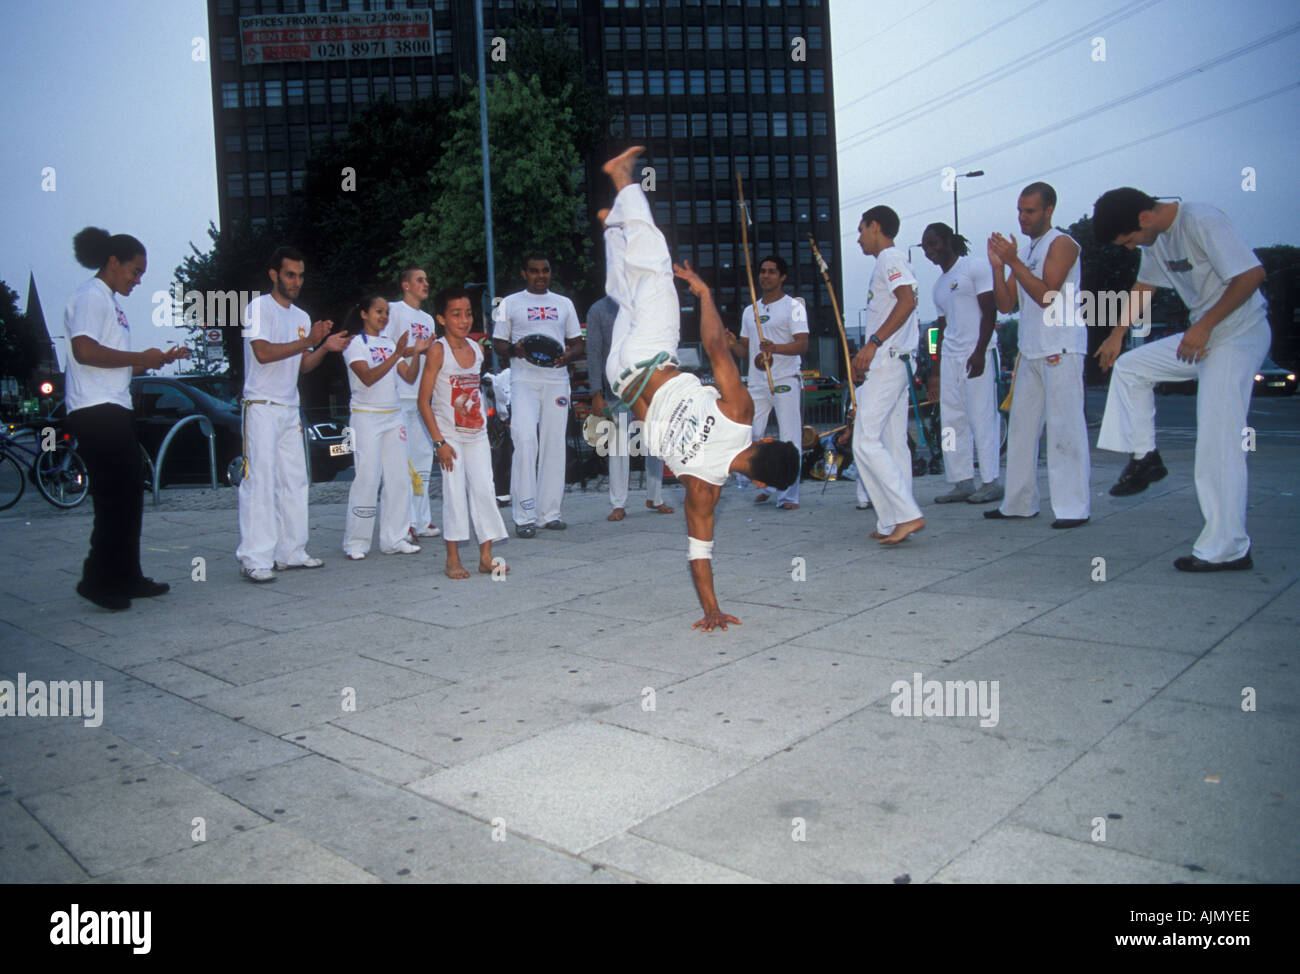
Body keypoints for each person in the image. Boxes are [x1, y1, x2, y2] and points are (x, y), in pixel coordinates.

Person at [598, 146, 799, 631]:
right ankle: (613, 227)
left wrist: (705, 295)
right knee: (625, 293)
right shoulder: (703, 491)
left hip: (650, 354)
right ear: (758, 482)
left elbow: (714, 347)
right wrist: (711, 610)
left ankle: (623, 180)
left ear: (767, 439)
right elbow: (699, 554)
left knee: (656, 263)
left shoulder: (740, 413)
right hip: (620, 376)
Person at [1092, 188, 1271, 571]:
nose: (1131, 247)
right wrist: (1117, 334)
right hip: (1203, 336)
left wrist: (1205, 326)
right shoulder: (1154, 238)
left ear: (1144, 217)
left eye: (1129, 240)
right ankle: (1145, 459)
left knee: (1218, 439)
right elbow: (1145, 286)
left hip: (1239, 333)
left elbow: (1252, 275)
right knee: (1131, 368)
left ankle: (1228, 548)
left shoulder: (1202, 220)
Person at [63, 227, 190, 610]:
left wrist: (157, 360)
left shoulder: (110, 302)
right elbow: (84, 352)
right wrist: (139, 357)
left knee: (130, 493)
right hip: (95, 409)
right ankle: (97, 579)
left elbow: (113, 363)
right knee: (114, 496)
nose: (137, 280)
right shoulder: (91, 296)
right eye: (135, 271)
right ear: (113, 262)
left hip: (113, 406)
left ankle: (127, 575)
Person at [237, 246, 349, 582]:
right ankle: (255, 558)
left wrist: (323, 347)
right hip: (261, 406)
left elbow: (303, 365)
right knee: (260, 482)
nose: (296, 281)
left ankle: (291, 551)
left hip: (289, 408)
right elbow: (262, 353)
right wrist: (308, 340)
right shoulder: (258, 308)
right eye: (290, 275)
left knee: (295, 480)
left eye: (300, 275)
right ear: (274, 275)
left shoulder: (301, 317)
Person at [985, 182, 1091, 529]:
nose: (1022, 217)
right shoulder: (1029, 251)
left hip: (1061, 346)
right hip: (1030, 350)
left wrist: (1014, 261)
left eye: (1029, 211)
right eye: (1019, 210)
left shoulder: (1062, 243)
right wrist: (999, 267)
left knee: (1064, 430)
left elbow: (1047, 295)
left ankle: (1073, 508)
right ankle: (1018, 503)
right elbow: (1005, 304)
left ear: (1049, 210)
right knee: (1021, 430)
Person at [418, 287, 510, 579]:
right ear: (441, 319)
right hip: (450, 437)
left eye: (468, 313)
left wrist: (485, 428)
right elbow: (423, 401)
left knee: (485, 490)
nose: (464, 320)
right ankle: (452, 559)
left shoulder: (477, 349)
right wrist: (439, 442)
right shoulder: (437, 351)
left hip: (476, 434)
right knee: (454, 494)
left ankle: (486, 556)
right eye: (456, 314)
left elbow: (475, 392)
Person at [848, 206, 926, 545]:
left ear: (875, 226)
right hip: (896, 359)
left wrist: (873, 342)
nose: (859, 237)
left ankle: (906, 515)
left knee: (864, 440)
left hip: (889, 360)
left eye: (861, 229)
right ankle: (892, 520)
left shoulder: (889, 258)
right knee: (894, 443)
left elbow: (906, 302)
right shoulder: (889, 261)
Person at [491, 254, 584, 537]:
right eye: (534, 271)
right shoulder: (509, 303)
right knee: (525, 440)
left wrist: (567, 356)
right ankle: (524, 516)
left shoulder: (564, 303)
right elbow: (497, 342)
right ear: (524, 273)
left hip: (556, 380)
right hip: (524, 380)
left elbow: (577, 343)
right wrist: (514, 350)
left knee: (554, 444)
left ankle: (549, 514)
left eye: (545, 270)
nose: (540, 275)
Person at [341, 294, 429, 559]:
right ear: (364, 314)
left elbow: (409, 377)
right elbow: (367, 377)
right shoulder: (355, 344)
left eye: (387, 312)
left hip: (393, 416)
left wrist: (417, 353)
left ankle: (395, 538)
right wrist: (398, 354)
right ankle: (356, 542)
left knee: (399, 478)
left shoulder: (389, 343)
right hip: (365, 416)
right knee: (367, 478)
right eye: (379, 311)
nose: (384, 317)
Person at [921, 222, 1003, 504]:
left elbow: (990, 312)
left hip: (977, 353)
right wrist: (935, 370)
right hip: (950, 359)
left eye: (933, 244)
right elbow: (941, 329)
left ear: (948, 241)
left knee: (982, 417)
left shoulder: (974, 267)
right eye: (925, 246)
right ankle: (962, 481)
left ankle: (991, 481)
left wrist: (979, 351)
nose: (929, 251)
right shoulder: (938, 287)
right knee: (951, 422)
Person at [585, 293, 674, 521]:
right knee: (618, 446)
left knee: (655, 441)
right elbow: (594, 354)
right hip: (616, 389)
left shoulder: (647, 304)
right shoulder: (599, 310)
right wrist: (596, 393)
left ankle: (655, 497)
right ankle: (618, 503)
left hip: (648, 383)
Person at [729, 255, 809, 510]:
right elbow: (744, 351)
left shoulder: (794, 307)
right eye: (763, 271)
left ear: (782, 277)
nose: (766, 276)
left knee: (789, 437)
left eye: (772, 271)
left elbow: (802, 344)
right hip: (757, 383)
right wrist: (731, 343)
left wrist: (776, 348)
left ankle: (789, 496)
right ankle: (766, 482)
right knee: (749, 434)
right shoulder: (749, 311)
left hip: (785, 379)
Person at [386, 266, 441, 544]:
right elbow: (386, 349)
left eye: (426, 280)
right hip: (398, 394)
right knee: (401, 463)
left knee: (422, 459)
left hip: (421, 397)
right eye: (419, 280)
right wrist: (415, 350)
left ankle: (421, 519)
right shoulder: (393, 311)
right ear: (405, 285)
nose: (425, 283)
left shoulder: (428, 319)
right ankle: (403, 522)